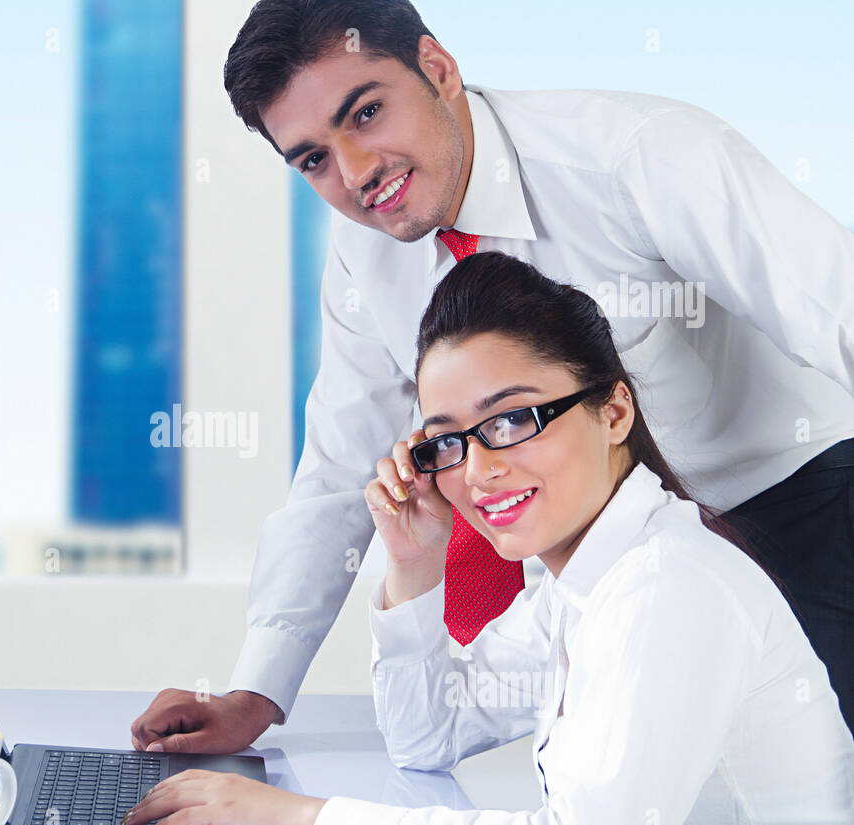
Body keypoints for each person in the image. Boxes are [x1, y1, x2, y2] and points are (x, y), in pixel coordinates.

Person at [130, 0, 854, 752]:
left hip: (796, 512)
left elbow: (833, 302)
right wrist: (255, 692)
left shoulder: (634, 156)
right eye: (313, 158)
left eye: (367, 112)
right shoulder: (364, 256)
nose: (355, 172)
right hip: (616, 561)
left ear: (438, 69)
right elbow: (337, 469)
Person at [122, 252, 854, 825]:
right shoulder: (576, 587)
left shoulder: (668, 588)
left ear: (615, 412)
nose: (476, 471)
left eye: (510, 420)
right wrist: (414, 564)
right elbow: (426, 736)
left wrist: (296, 822)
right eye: (448, 440)